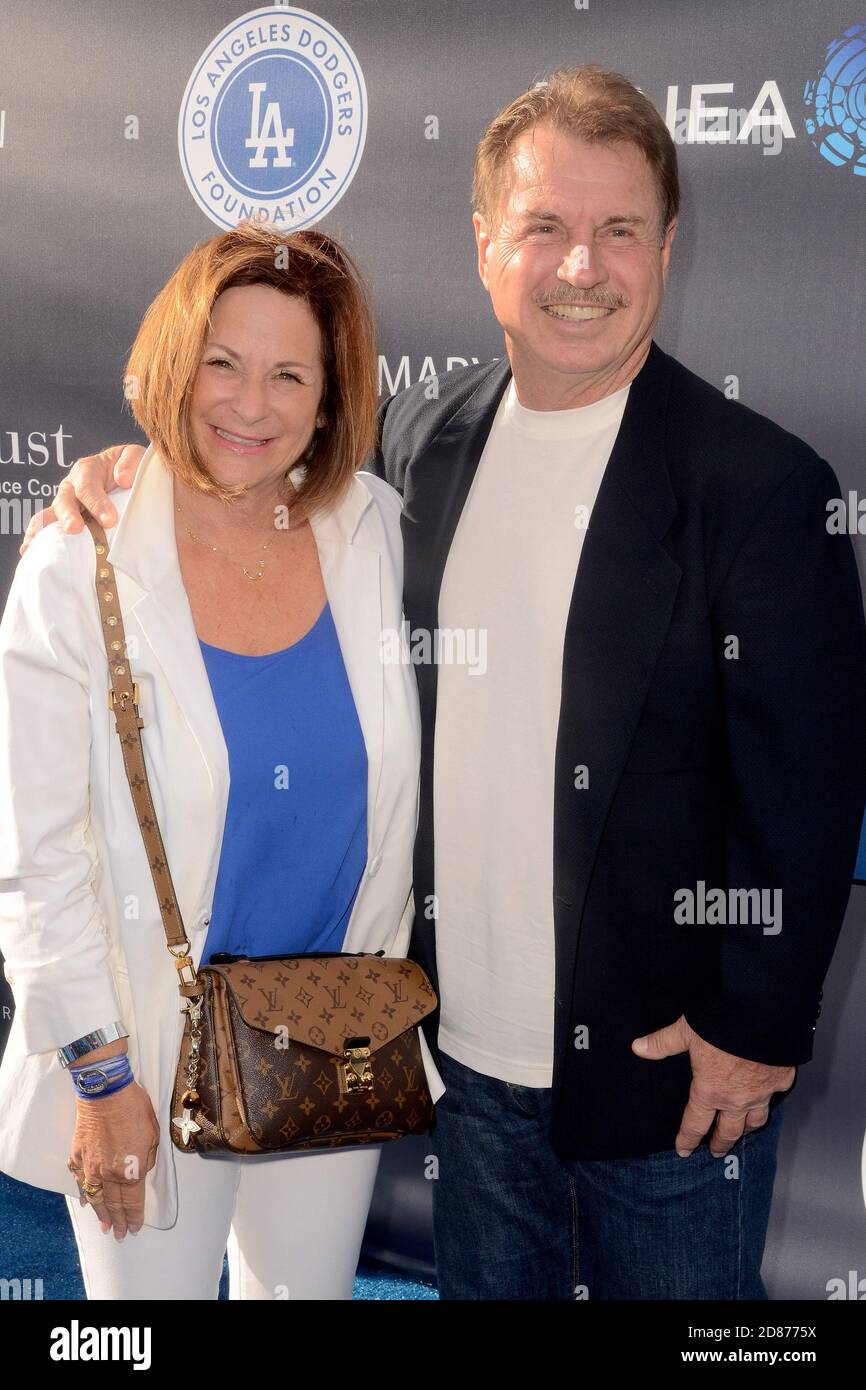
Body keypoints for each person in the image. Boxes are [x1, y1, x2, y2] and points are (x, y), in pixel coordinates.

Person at [23, 65, 866, 1301]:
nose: (581, 265)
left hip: (669, 1087)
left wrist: (752, 1032)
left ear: (666, 248)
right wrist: (117, 475)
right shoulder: (419, 453)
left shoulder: (758, 484)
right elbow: (239, 462)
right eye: (544, 228)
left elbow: (806, 789)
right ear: (483, 246)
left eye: (616, 229)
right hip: (456, 1076)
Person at [0, 220, 443, 1301]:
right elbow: (37, 858)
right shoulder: (81, 560)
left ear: (330, 397)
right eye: (222, 363)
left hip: (334, 1036)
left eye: (289, 373)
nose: (250, 405)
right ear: (173, 364)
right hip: (146, 1050)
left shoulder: (368, 529)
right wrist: (102, 1082)